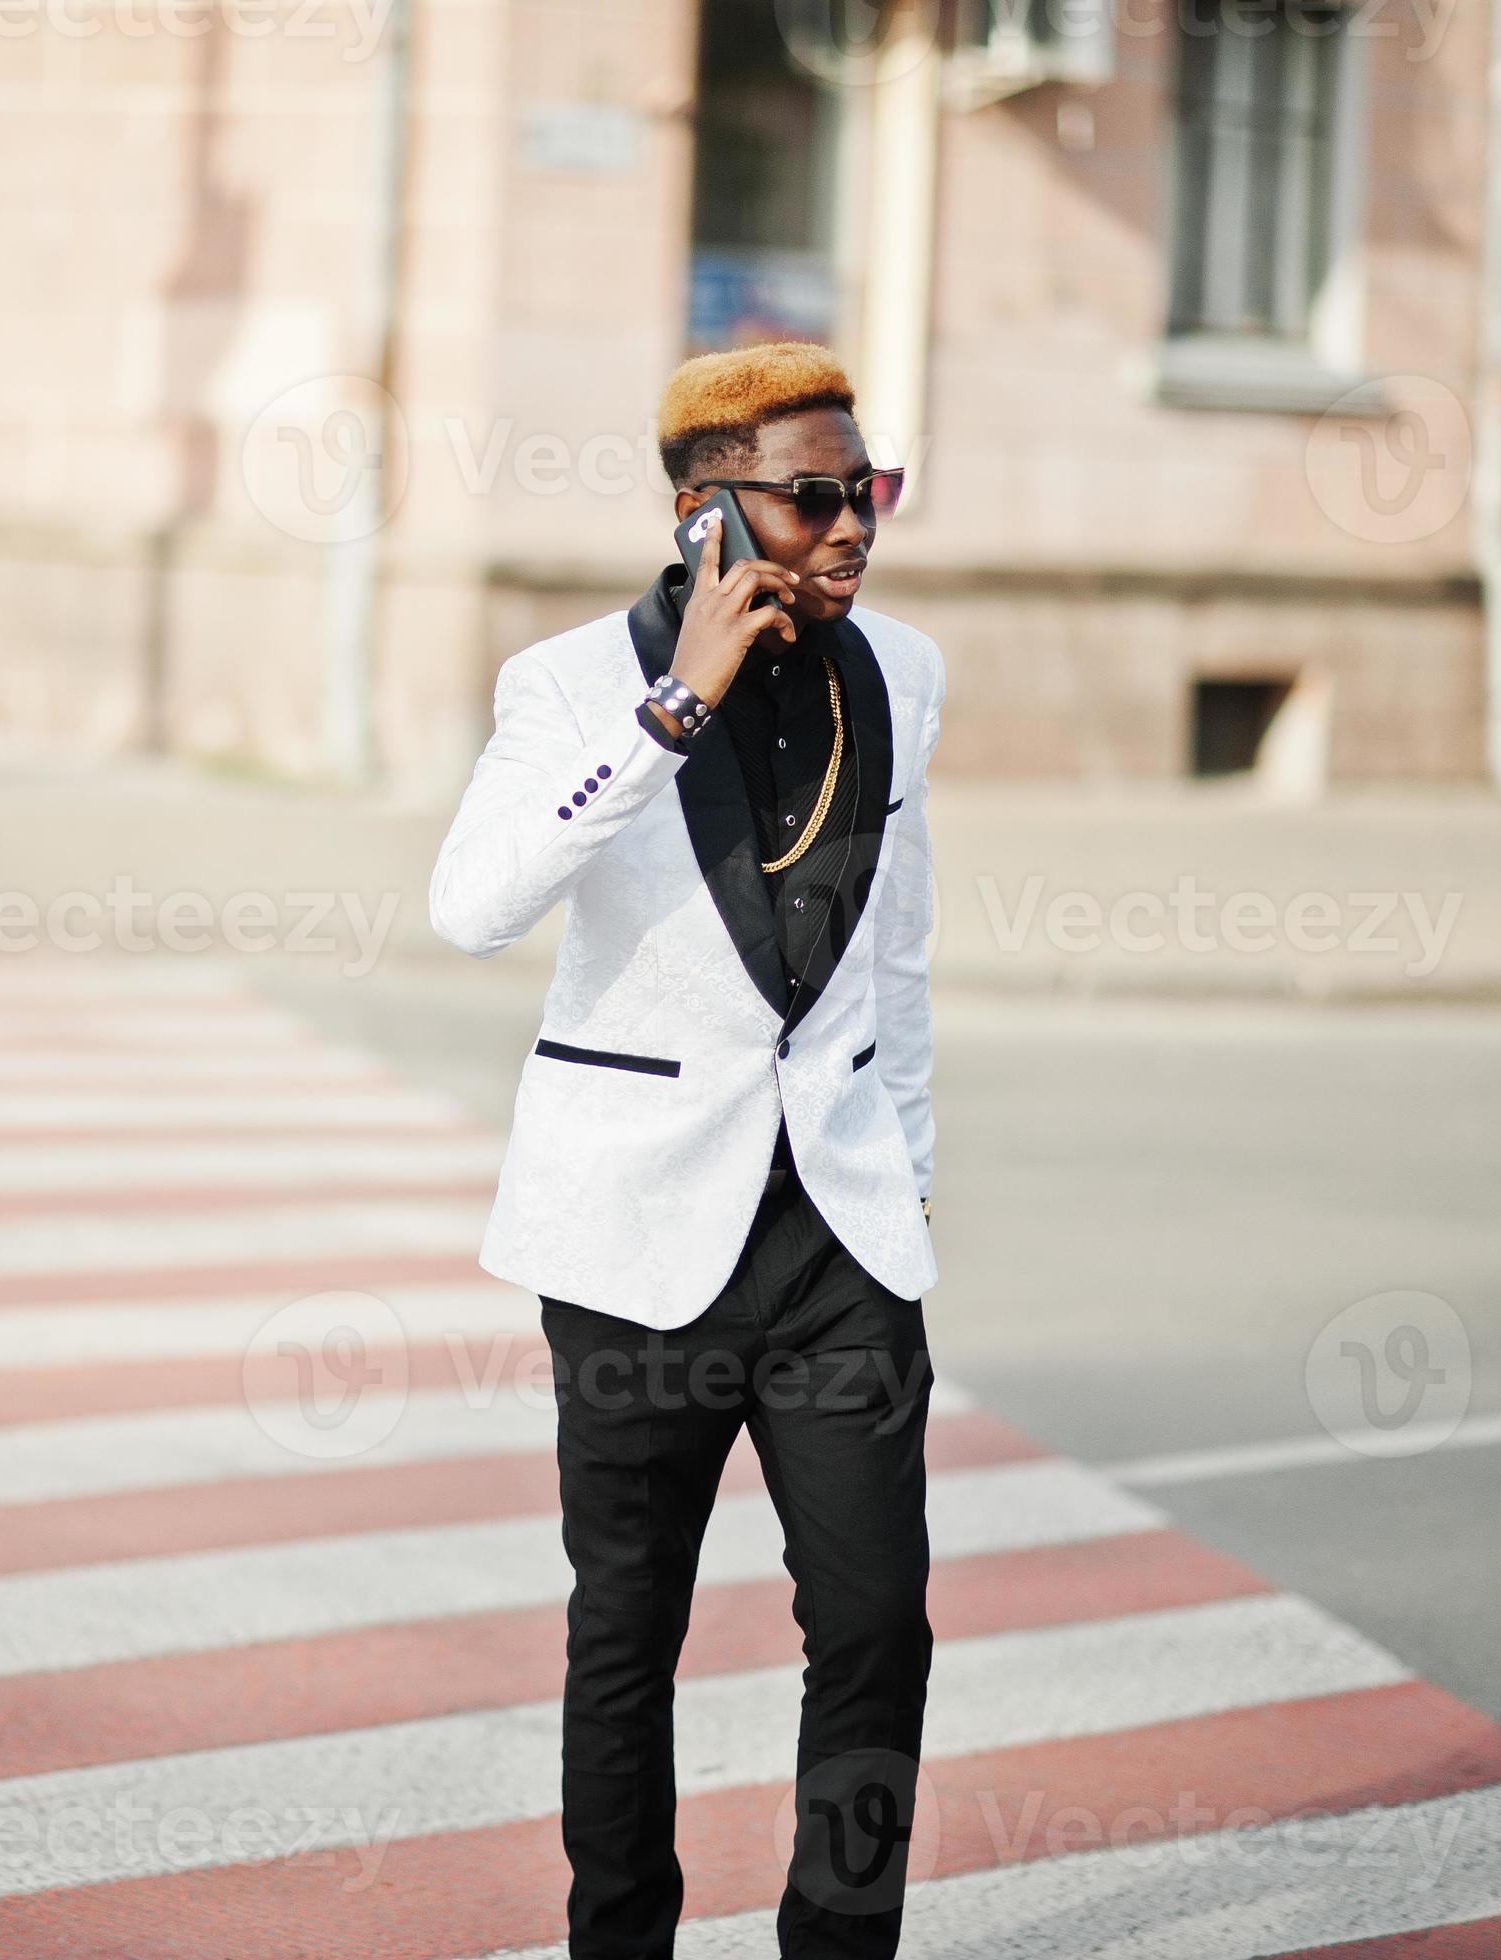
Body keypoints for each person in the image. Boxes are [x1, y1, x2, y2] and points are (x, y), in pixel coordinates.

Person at [429, 341, 944, 1959]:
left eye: (867, 490)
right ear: (700, 515)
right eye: (812, 499)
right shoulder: (571, 684)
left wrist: (904, 1177)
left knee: (874, 1625)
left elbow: (897, 955)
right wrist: (668, 714)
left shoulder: (904, 672)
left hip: (838, 1241)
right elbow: (471, 905)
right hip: (632, 1240)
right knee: (627, 1634)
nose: (852, 525)